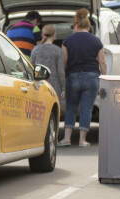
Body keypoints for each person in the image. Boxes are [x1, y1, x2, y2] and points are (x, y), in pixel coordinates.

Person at [60, 9, 106, 147]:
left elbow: (64, 62)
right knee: (87, 108)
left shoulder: (67, 41)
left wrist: (65, 77)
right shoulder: (96, 41)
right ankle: (82, 140)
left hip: (73, 76)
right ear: (88, 25)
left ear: (76, 24)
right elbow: (102, 62)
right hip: (92, 77)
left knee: (71, 108)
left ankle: (67, 138)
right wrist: (104, 78)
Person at [31, 24, 65, 100]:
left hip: (39, 86)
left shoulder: (36, 49)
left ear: (42, 35)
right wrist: (63, 88)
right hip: (54, 88)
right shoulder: (58, 50)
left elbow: (31, 68)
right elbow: (61, 72)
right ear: (54, 35)